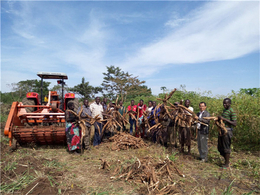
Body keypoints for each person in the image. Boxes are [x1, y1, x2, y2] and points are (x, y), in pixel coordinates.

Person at [217, 98, 237, 169]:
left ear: (229, 103)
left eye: (226, 103)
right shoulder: (225, 110)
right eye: (223, 103)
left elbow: (234, 123)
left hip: (227, 131)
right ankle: (227, 161)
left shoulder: (232, 111)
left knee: (226, 147)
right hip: (222, 130)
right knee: (220, 148)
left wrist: (224, 119)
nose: (224, 105)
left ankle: (226, 165)